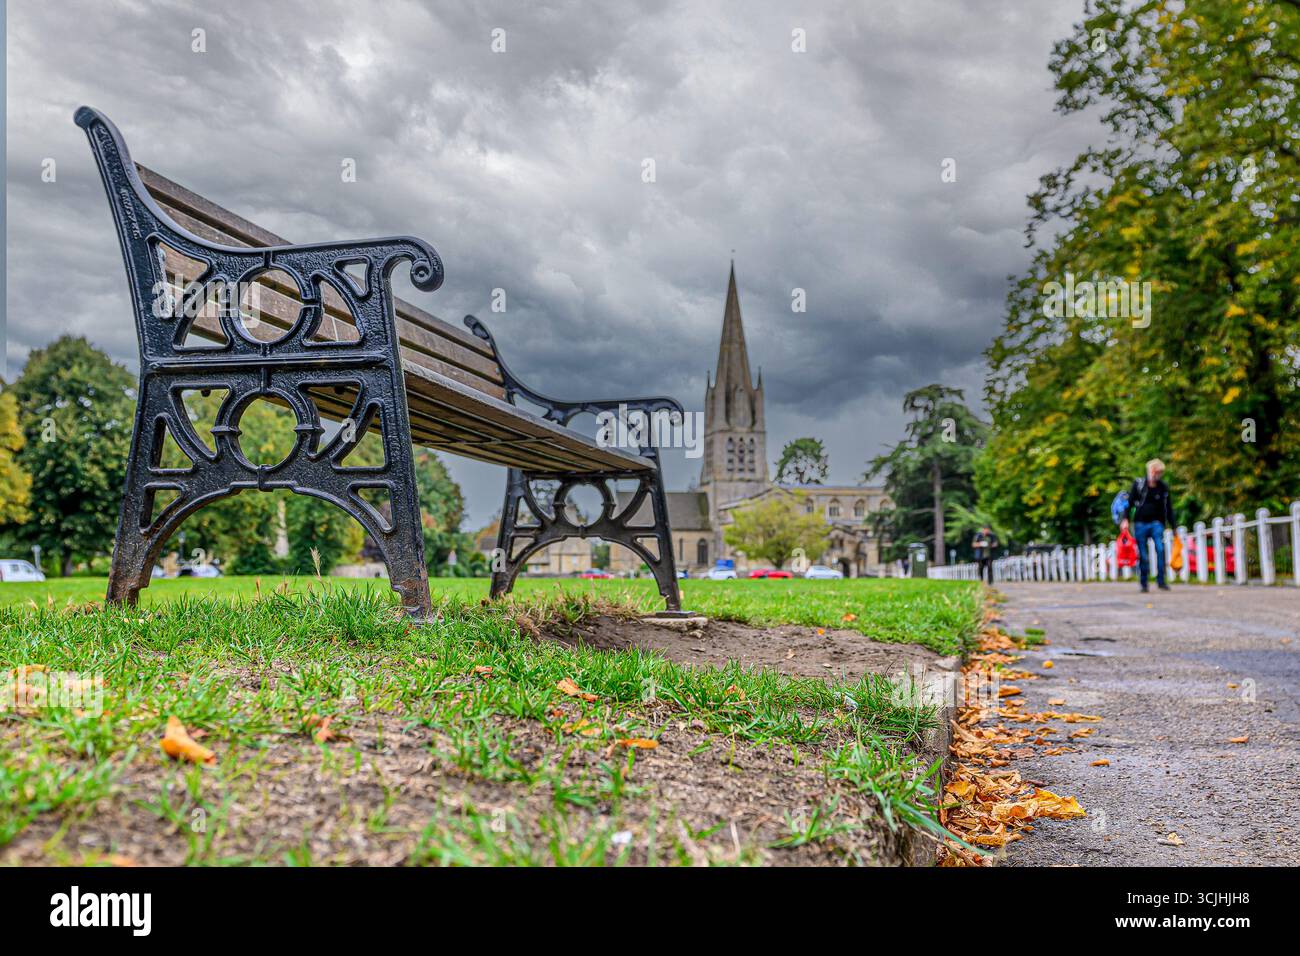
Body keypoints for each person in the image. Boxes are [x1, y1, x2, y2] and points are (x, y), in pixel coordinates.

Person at [1121, 458, 1175, 593]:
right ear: (1150, 471)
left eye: (1159, 473)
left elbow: (1168, 508)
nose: (1157, 475)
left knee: (1160, 549)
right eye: (1155, 472)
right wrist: (1125, 519)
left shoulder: (1163, 487)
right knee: (1143, 555)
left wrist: (1174, 526)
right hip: (1140, 523)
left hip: (1157, 523)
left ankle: (1161, 581)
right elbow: (1129, 503)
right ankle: (1144, 583)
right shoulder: (1138, 485)